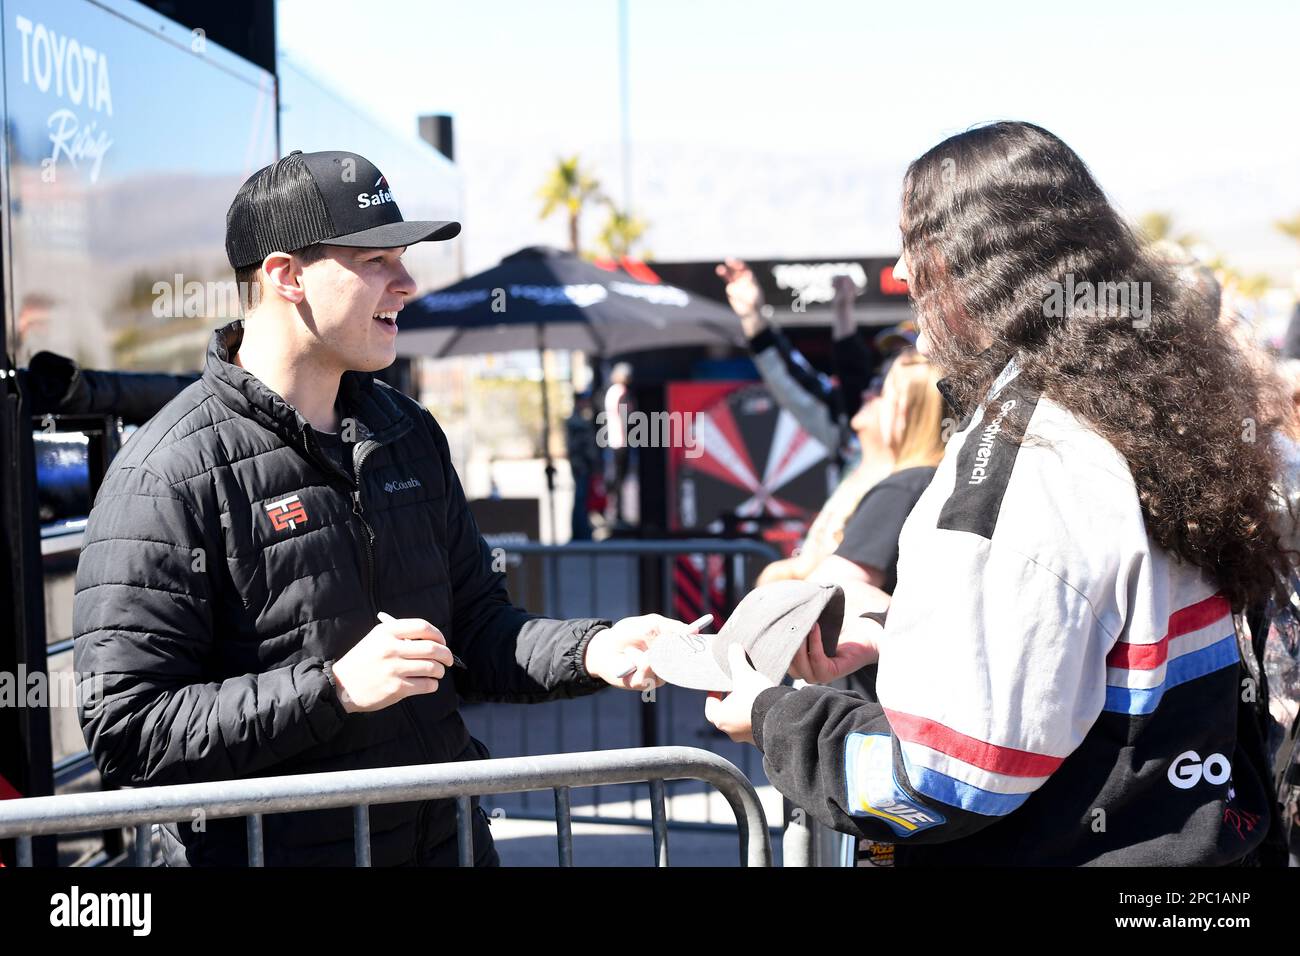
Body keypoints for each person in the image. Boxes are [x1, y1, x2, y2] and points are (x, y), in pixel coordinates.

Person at [704, 122, 1296, 865]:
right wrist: (897, 639)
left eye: (914, 245)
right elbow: (1091, 653)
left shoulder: (1027, 457)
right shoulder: (1150, 413)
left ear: (968, 267)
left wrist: (777, 718)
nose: (899, 271)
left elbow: (942, 778)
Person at [72, 150, 681, 867]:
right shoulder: (166, 472)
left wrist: (596, 648)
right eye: (376, 260)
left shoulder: (407, 432)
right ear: (284, 276)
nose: (409, 283)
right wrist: (332, 691)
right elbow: (129, 732)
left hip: (446, 845)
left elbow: (478, 632)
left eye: (405, 258)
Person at [564, 389, 601, 540]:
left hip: (582, 465)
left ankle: (581, 530)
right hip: (581, 466)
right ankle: (580, 532)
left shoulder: (580, 420)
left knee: (582, 498)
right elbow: (582, 447)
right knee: (580, 498)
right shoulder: (576, 422)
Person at [603, 361, 635, 525]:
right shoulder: (621, 393)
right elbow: (626, 418)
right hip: (620, 440)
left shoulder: (611, 392)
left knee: (616, 477)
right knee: (619, 479)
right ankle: (617, 512)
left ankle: (615, 511)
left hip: (614, 439)